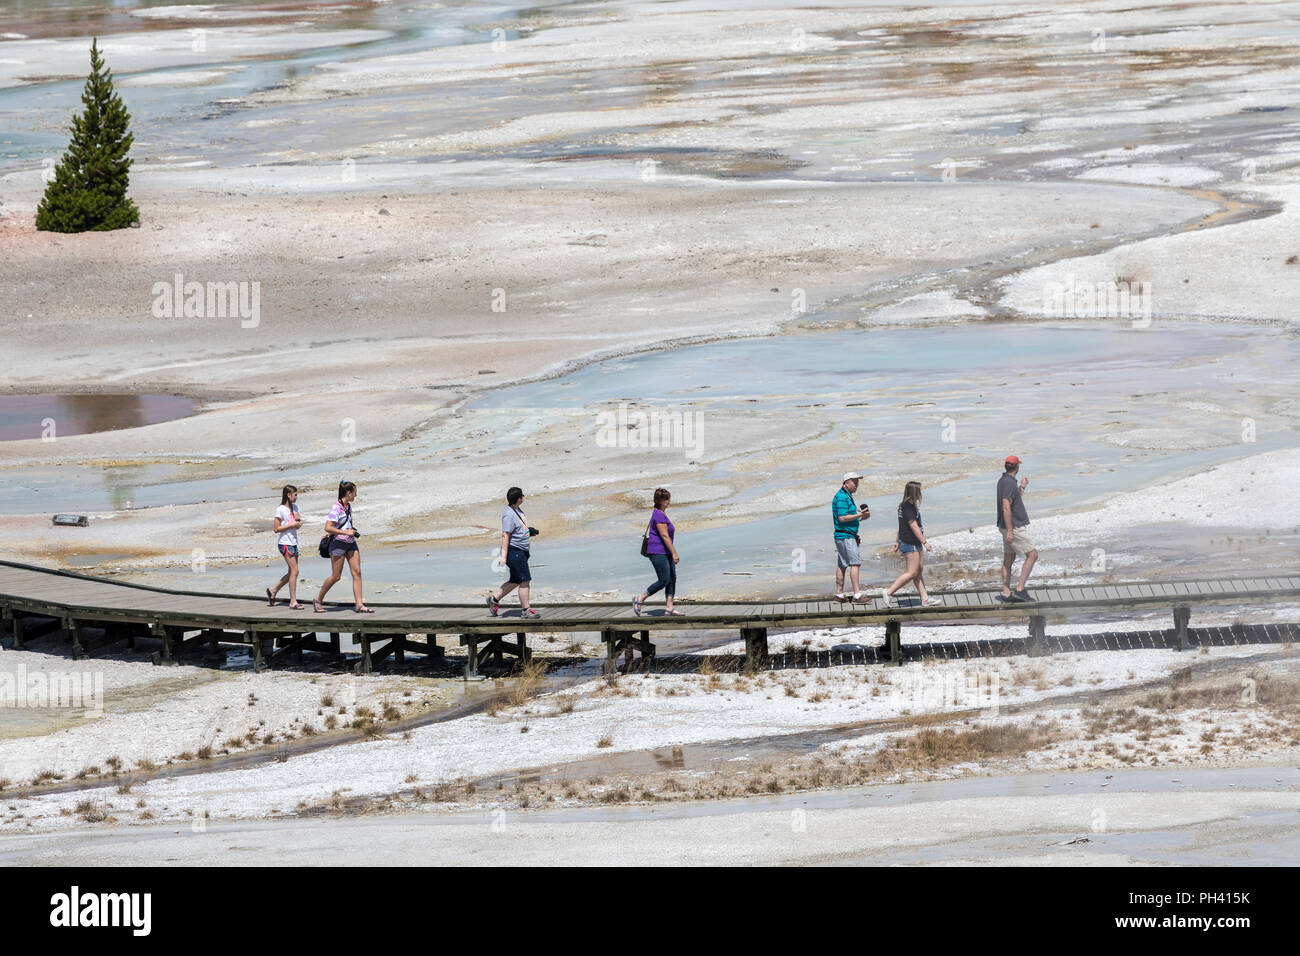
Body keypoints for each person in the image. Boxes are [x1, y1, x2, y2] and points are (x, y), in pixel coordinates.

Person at [314, 480, 373, 613]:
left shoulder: (348, 507)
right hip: (338, 544)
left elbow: (342, 524)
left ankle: (359, 604)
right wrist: (345, 532)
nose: (355, 496)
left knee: (357, 572)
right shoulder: (336, 507)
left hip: (350, 543)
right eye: (354, 493)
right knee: (336, 576)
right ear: (348, 493)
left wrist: (350, 531)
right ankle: (318, 599)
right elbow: (328, 527)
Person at [882, 481, 937, 607]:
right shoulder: (907, 506)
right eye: (919, 491)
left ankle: (925, 599)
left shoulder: (908, 505)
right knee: (911, 572)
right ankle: (888, 592)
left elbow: (901, 526)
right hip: (909, 543)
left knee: (918, 571)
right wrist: (925, 542)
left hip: (913, 542)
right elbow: (913, 526)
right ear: (914, 492)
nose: (920, 493)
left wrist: (896, 541)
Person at [487, 487, 540, 619]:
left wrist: (529, 531)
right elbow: (505, 535)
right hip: (514, 552)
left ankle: (494, 599)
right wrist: (503, 557)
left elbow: (518, 528)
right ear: (518, 499)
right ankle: (526, 610)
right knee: (525, 580)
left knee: (516, 580)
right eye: (522, 496)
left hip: (520, 551)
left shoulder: (516, 510)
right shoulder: (508, 514)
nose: (523, 498)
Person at [633, 487, 682, 616]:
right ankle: (640, 599)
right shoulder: (659, 514)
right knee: (664, 579)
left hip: (665, 551)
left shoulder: (661, 513)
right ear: (659, 501)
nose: (668, 502)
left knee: (672, 578)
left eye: (668, 499)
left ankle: (669, 607)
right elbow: (664, 535)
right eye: (666, 499)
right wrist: (674, 553)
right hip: (658, 551)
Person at [996, 455, 1037, 603]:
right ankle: (1020, 589)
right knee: (1032, 555)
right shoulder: (1008, 483)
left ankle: (1006, 592)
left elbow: (1013, 500)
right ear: (1017, 467)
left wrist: (1022, 487)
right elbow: (1006, 508)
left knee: (1009, 558)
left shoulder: (1005, 481)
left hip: (1005, 526)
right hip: (1013, 526)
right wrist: (1011, 530)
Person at [832, 470, 870, 601]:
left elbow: (849, 518)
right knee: (855, 563)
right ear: (846, 483)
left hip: (843, 535)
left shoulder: (845, 495)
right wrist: (859, 515)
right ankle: (857, 595)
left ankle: (839, 594)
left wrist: (862, 516)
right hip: (846, 536)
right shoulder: (842, 497)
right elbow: (842, 518)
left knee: (842, 564)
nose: (857, 484)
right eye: (854, 482)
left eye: (857, 481)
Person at [267, 484, 304, 609]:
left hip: (293, 542)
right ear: (288, 495)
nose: (296, 497)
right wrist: (292, 525)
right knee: (295, 571)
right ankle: (293, 601)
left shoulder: (295, 507)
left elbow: (296, 524)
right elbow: (276, 529)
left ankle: (273, 590)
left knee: (291, 572)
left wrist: (298, 523)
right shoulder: (280, 509)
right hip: (284, 543)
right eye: (295, 495)